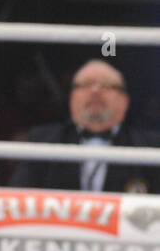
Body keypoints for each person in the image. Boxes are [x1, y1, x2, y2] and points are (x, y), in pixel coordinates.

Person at [9, 61, 160, 193]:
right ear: (72, 98)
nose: (95, 91)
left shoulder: (150, 146)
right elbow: (18, 198)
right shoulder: (42, 141)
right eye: (86, 84)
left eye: (106, 85)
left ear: (124, 101)